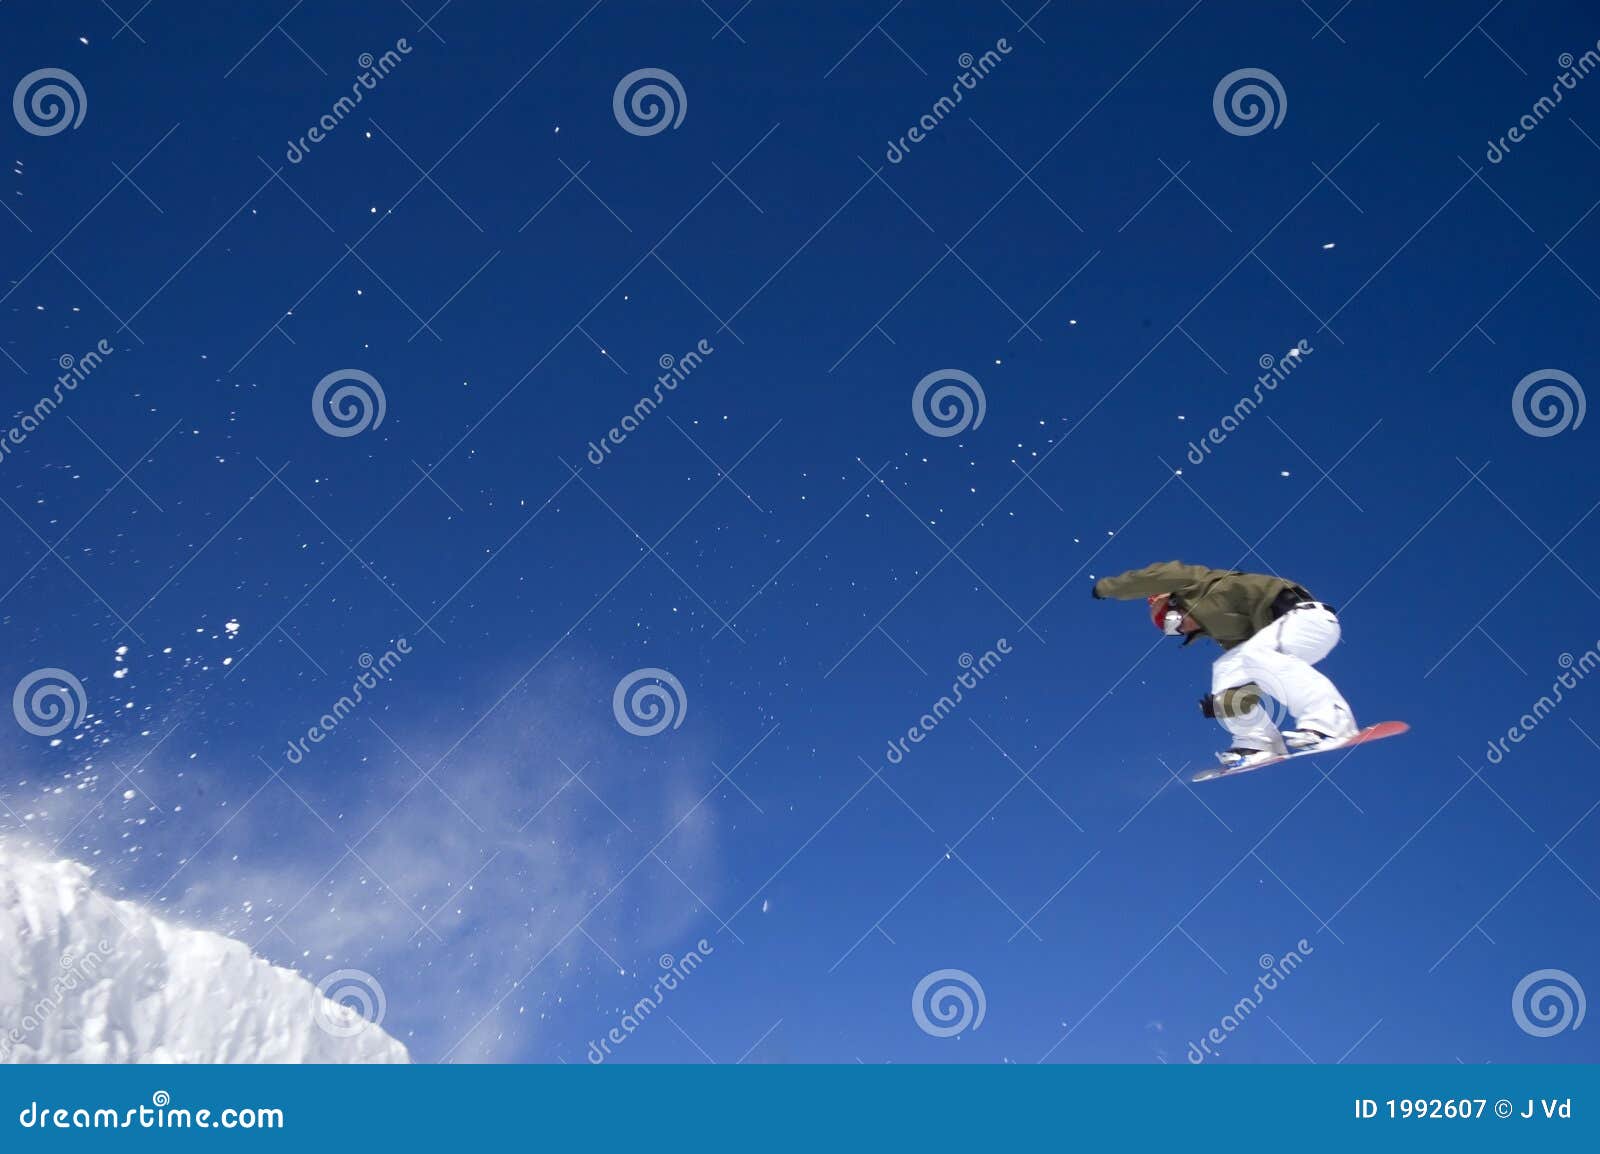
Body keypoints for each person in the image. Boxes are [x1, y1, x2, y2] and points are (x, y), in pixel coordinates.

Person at [1092, 561, 1357, 769]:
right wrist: (1225, 705)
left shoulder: (1196, 584)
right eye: (1170, 631)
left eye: (1169, 621)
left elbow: (1152, 577)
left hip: (1308, 619)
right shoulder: (1228, 633)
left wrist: (1107, 588)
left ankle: (1332, 720)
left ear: (1174, 602)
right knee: (1226, 668)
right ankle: (1258, 743)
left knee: (1255, 652)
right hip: (1280, 633)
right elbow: (1254, 676)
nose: (1179, 630)